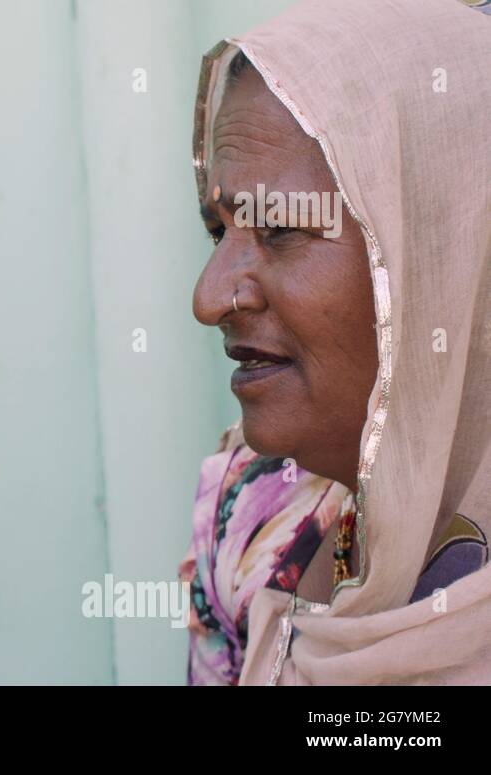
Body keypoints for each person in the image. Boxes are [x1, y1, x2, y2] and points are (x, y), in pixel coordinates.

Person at [184, 0, 491, 684]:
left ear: (440, 249)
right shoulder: (253, 509)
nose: (210, 299)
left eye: (280, 229)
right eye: (218, 230)